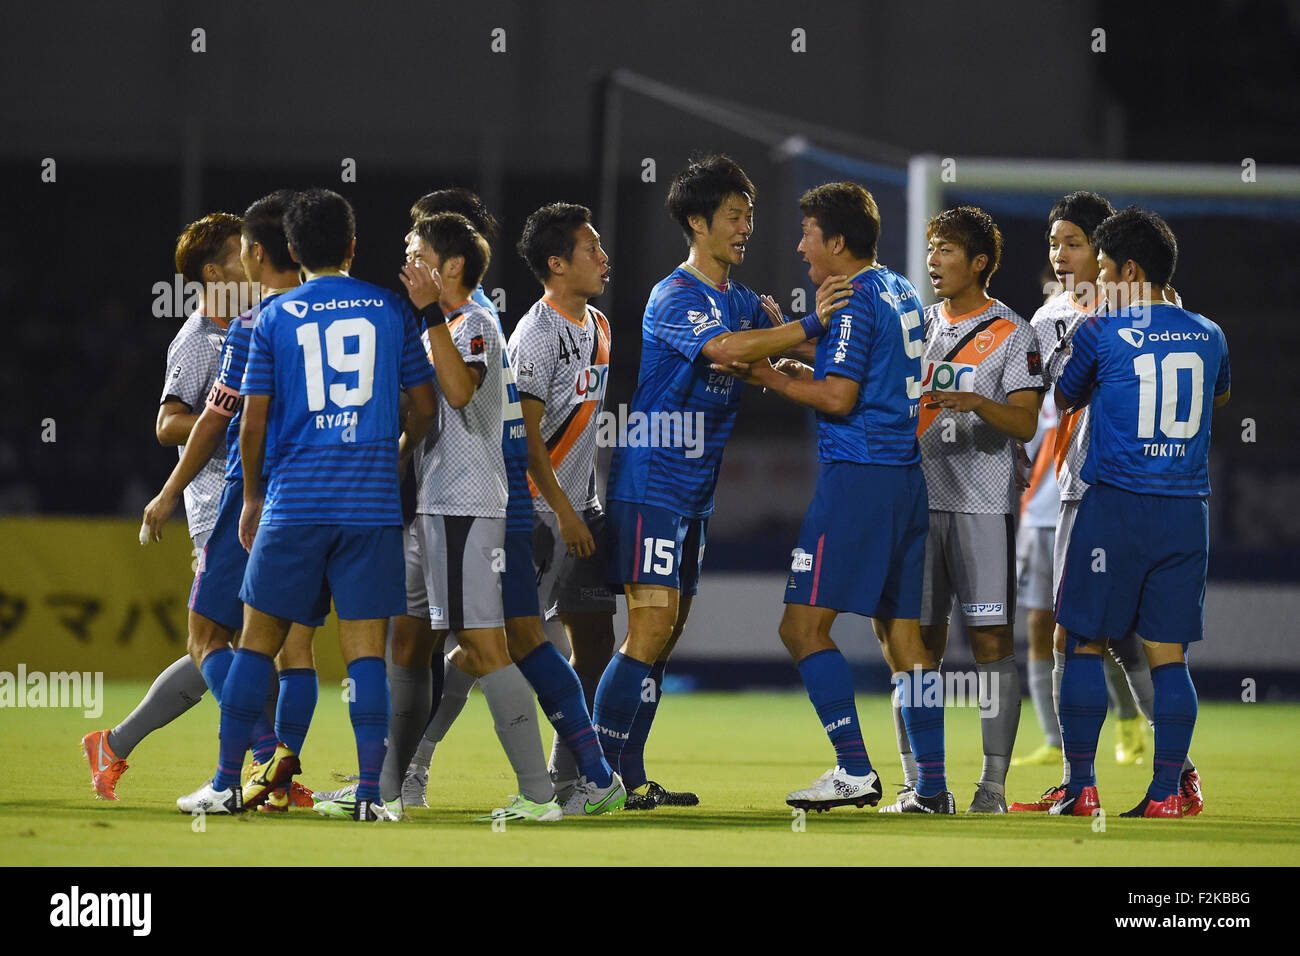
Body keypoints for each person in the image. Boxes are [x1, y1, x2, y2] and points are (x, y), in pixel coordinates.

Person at [179, 188, 437, 821]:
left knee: (256, 644)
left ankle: (225, 782)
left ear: (291, 249)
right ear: (352, 246)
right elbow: (426, 409)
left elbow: (251, 425)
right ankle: (374, 796)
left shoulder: (271, 318)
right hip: (371, 508)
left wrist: (254, 498)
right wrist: (392, 456)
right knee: (365, 652)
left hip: (293, 504)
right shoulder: (392, 310)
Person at [592, 154, 828, 808]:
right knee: (648, 629)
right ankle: (591, 773)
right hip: (651, 481)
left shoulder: (741, 300)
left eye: (749, 215)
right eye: (733, 215)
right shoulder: (676, 295)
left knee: (663, 641)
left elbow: (784, 350)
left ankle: (631, 777)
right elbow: (726, 352)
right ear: (698, 222)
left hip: (694, 492)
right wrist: (804, 325)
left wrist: (853, 328)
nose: (746, 227)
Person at [712, 182, 931, 812]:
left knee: (801, 627)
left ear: (837, 242)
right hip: (905, 481)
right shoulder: (899, 288)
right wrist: (795, 356)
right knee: (906, 643)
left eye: (809, 233)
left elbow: (839, 397)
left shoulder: (856, 299)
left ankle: (854, 769)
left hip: (858, 477)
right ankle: (933, 788)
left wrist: (766, 377)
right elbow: (861, 362)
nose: (801, 244)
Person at [1050, 207, 1229, 818]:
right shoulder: (1210, 333)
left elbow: (1064, 394)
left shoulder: (1103, 329)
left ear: (1128, 269)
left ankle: (1081, 787)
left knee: (1082, 642)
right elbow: (1218, 395)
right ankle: (1163, 795)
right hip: (1186, 514)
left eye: (1102, 268)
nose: (1097, 281)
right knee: (1168, 655)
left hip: (1116, 508)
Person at [883, 205, 1045, 813]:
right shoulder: (916, 327)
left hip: (981, 508)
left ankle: (994, 786)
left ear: (979, 262)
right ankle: (919, 784)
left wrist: (978, 401)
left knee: (989, 642)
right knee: (913, 642)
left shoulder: (1014, 332)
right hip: (918, 507)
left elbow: (1027, 422)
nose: (933, 261)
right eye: (930, 250)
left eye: (947, 250)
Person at [83, 212, 247, 801]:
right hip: (217, 508)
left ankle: (115, 745)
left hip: (257, 504)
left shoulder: (251, 324)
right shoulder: (198, 338)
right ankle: (263, 764)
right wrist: (230, 426)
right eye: (240, 252)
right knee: (229, 647)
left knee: (225, 648)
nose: (253, 259)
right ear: (213, 271)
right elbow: (167, 423)